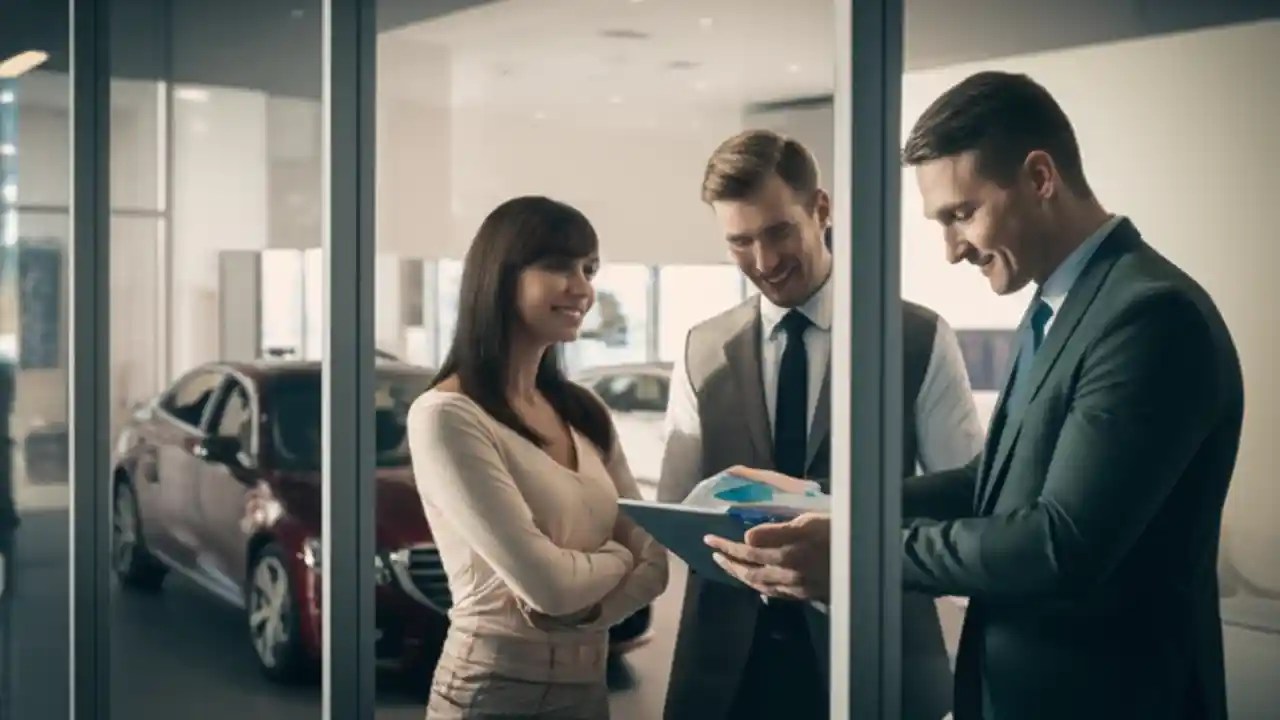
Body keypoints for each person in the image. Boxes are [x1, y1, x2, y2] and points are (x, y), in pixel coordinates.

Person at [706, 72, 1244, 720]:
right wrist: (820, 501)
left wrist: (857, 558)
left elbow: (1059, 543)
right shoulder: (1060, 305)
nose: (953, 249)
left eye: (963, 215)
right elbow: (990, 484)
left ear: (1040, 177)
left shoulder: (1150, 316)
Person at [660, 129, 984, 720]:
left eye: (779, 231)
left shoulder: (916, 336)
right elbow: (676, 504)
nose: (764, 261)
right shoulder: (699, 348)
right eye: (740, 242)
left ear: (822, 209)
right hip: (729, 666)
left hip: (875, 653)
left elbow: (965, 504)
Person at [405, 196, 669, 719]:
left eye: (588, 269)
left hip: (589, 691)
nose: (583, 288)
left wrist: (583, 609)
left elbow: (657, 562)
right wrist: (617, 559)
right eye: (557, 266)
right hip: (491, 692)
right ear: (500, 277)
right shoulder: (448, 416)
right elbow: (549, 586)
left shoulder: (584, 410)